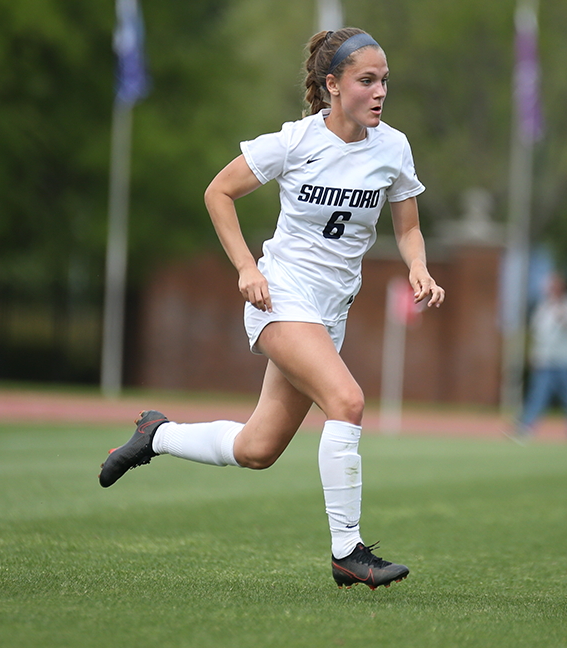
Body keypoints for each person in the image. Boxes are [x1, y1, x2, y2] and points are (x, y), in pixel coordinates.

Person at [98, 28, 444, 590]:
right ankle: (347, 552)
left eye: (384, 81)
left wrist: (418, 267)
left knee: (257, 449)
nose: (380, 91)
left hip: (329, 314)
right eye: (366, 80)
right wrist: (246, 268)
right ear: (332, 85)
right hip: (281, 296)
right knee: (348, 401)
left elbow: (408, 227)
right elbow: (218, 192)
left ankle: (154, 435)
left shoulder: (394, 148)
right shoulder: (294, 140)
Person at [512, 272, 567, 444]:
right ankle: (526, 426)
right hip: (545, 359)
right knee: (537, 394)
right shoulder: (544, 305)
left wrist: (564, 316)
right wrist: (534, 355)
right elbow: (538, 332)